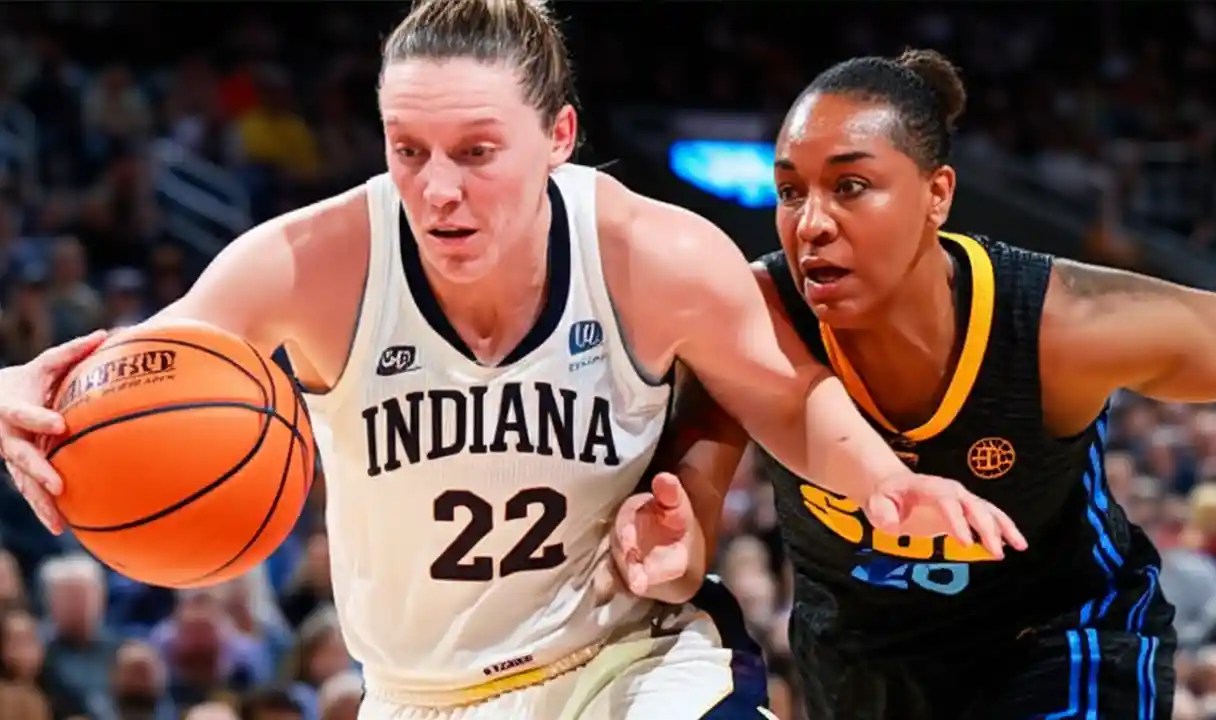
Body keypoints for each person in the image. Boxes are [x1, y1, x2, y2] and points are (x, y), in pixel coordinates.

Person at [0, 3, 1024, 719]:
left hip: (624, 662)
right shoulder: (303, 265)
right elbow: (119, 386)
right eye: (407, 149)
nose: (437, 187)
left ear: (558, 138)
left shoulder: (650, 253)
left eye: (476, 151)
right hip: (416, 692)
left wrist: (890, 482)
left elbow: (791, 402)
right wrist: (12, 397)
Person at [611, 47, 1216, 720]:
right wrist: (678, 550)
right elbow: (689, 502)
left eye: (849, 187)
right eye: (791, 191)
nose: (810, 223)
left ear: (938, 194)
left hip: (1056, 643)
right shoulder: (756, 315)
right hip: (861, 667)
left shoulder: (1056, 324)